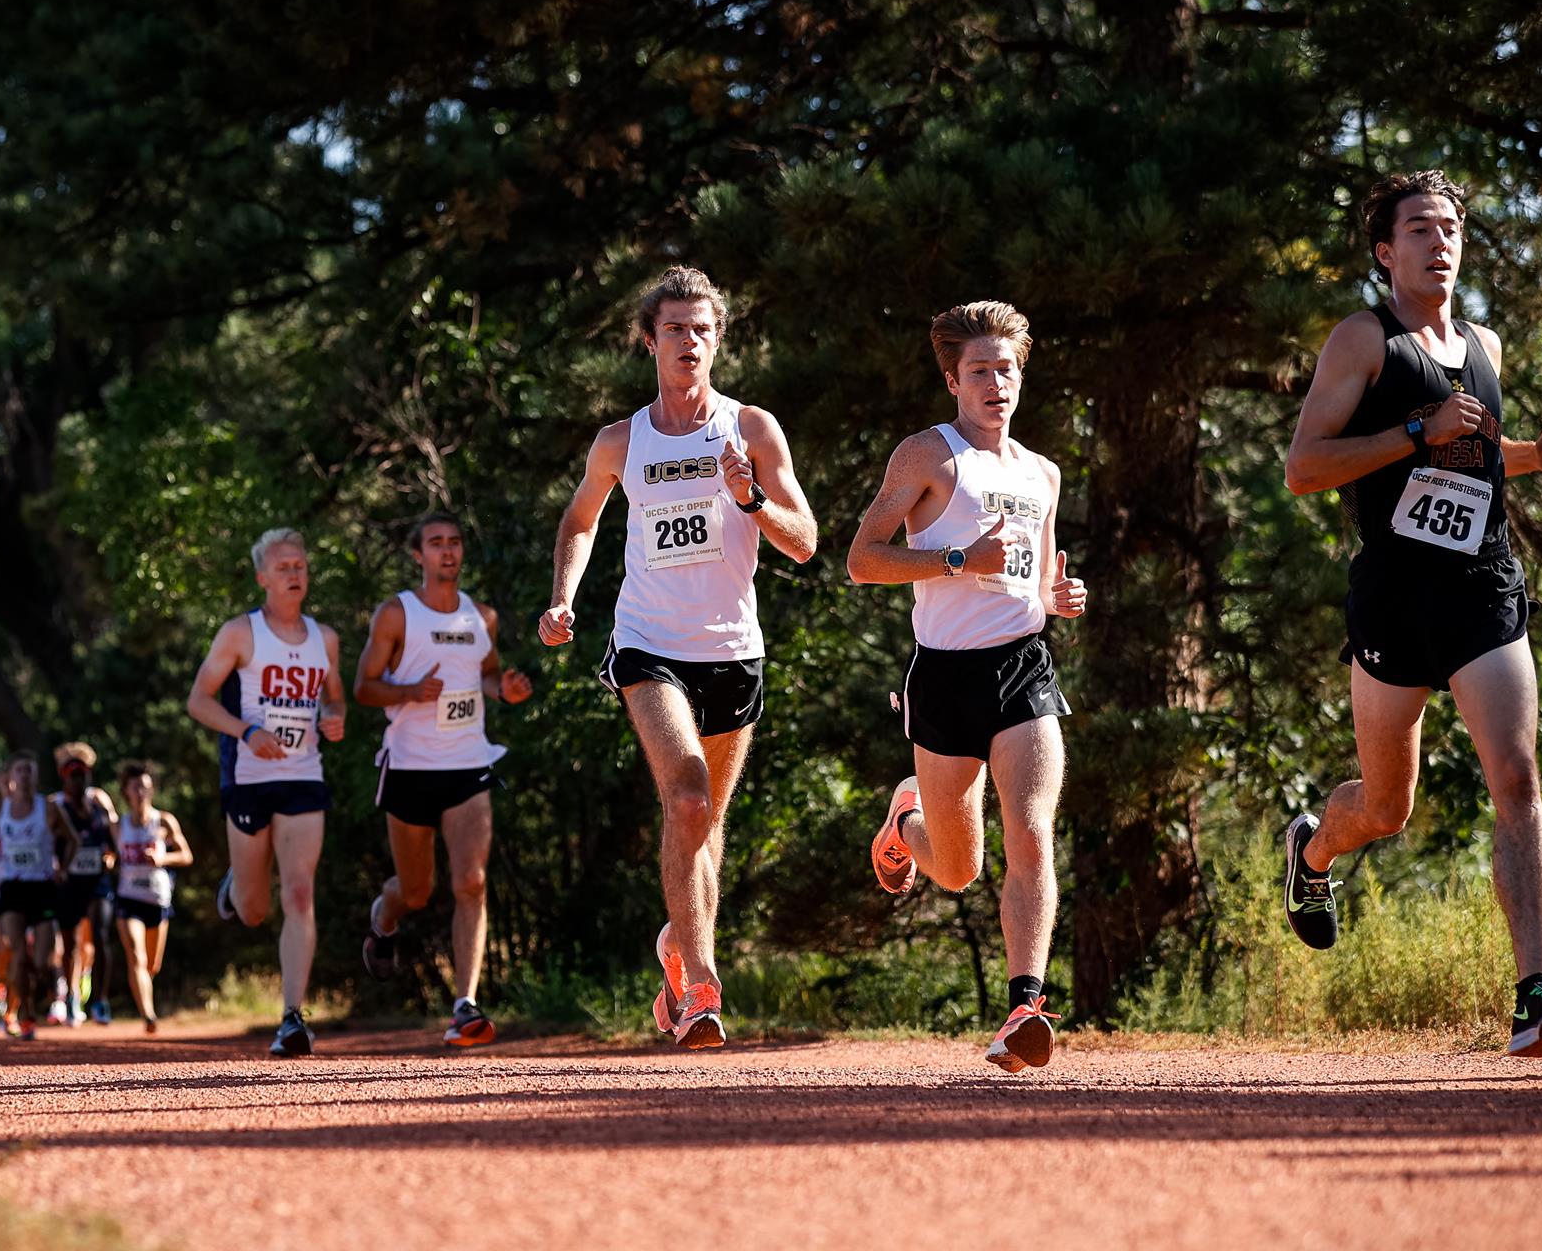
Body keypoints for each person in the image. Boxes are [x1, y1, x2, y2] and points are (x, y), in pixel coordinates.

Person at [1282, 169, 1542, 1056]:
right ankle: (1312, 850)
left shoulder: (1487, 344)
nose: (1439, 240)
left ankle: (1534, 990)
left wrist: (1540, 453)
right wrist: (1414, 430)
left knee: (1518, 777)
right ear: (1386, 251)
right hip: (1394, 594)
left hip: (1482, 587)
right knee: (1386, 806)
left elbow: (1480, 461)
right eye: (1419, 228)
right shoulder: (1363, 340)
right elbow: (1306, 466)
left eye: (1450, 226)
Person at [539, 266, 816, 1049]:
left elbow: (806, 542)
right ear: (649, 340)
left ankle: (676, 947)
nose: (688, 341)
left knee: (707, 819)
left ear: (718, 337)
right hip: (648, 643)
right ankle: (699, 986)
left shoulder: (752, 429)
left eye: (701, 328)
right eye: (673, 329)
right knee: (687, 800)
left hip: (734, 649)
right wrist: (564, 597)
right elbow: (580, 522)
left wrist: (752, 499)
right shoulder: (621, 440)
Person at [850, 300, 1088, 1072]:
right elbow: (862, 559)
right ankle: (905, 820)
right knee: (958, 868)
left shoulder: (1043, 473)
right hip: (943, 675)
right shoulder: (927, 456)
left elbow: (1040, 578)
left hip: (1023, 665)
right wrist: (957, 562)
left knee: (1031, 831)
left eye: (1008, 369)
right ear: (953, 378)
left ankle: (1025, 1005)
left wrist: (1059, 597)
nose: (997, 382)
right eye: (980, 370)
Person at [356, 511, 533, 1049]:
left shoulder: (482, 617)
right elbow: (364, 687)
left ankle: (464, 1005)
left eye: (454, 542)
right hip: (410, 764)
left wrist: (504, 689)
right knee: (415, 890)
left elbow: (485, 674)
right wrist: (410, 692)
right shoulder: (396, 615)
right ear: (418, 555)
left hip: (467, 762)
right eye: (436, 544)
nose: (447, 552)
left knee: (471, 883)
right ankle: (383, 921)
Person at [188, 528, 349, 1057]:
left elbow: (334, 701)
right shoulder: (240, 634)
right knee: (255, 909)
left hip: (304, 776)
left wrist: (333, 719)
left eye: (300, 566)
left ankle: (292, 1017)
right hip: (250, 778)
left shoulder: (325, 640)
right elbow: (199, 701)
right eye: (283, 568)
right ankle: (237, 885)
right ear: (262, 578)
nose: (295, 575)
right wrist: (245, 732)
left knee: (299, 892)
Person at [0, 750, 74, 1041]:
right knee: (18, 955)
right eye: (19, 770)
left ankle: (43, 991)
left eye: (29, 770)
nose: (24, 775)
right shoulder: (1, 808)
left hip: (42, 888)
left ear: (35, 775)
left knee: (41, 959)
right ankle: (25, 1014)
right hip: (11, 889)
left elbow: (72, 840)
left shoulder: (47, 808)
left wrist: (63, 868)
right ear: (11, 776)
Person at [112, 761, 193, 1035]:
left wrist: (163, 858)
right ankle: (148, 1014)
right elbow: (111, 852)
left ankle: (147, 1004)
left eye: (146, 787)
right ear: (125, 791)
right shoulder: (118, 825)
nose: (141, 792)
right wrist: (109, 859)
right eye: (136, 787)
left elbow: (186, 855)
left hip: (157, 900)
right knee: (135, 957)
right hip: (128, 898)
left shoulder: (165, 821)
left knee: (151, 965)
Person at [49, 742, 119, 1027]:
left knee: (101, 936)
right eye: (73, 774)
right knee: (69, 944)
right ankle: (71, 996)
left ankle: (100, 1000)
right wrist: (56, 868)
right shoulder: (55, 805)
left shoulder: (100, 801)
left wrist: (112, 857)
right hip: (69, 883)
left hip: (97, 881)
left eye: (84, 773)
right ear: (64, 776)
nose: (79, 779)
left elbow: (114, 837)